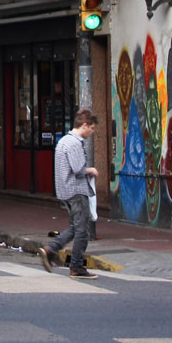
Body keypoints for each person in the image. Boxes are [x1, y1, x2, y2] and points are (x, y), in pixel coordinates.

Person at [38, 108, 100, 279]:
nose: (92, 132)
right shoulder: (73, 143)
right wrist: (91, 170)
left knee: (75, 227)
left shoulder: (64, 141)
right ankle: (77, 266)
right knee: (83, 231)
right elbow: (78, 169)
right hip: (76, 190)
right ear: (85, 125)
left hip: (66, 190)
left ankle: (51, 249)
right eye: (92, 128)